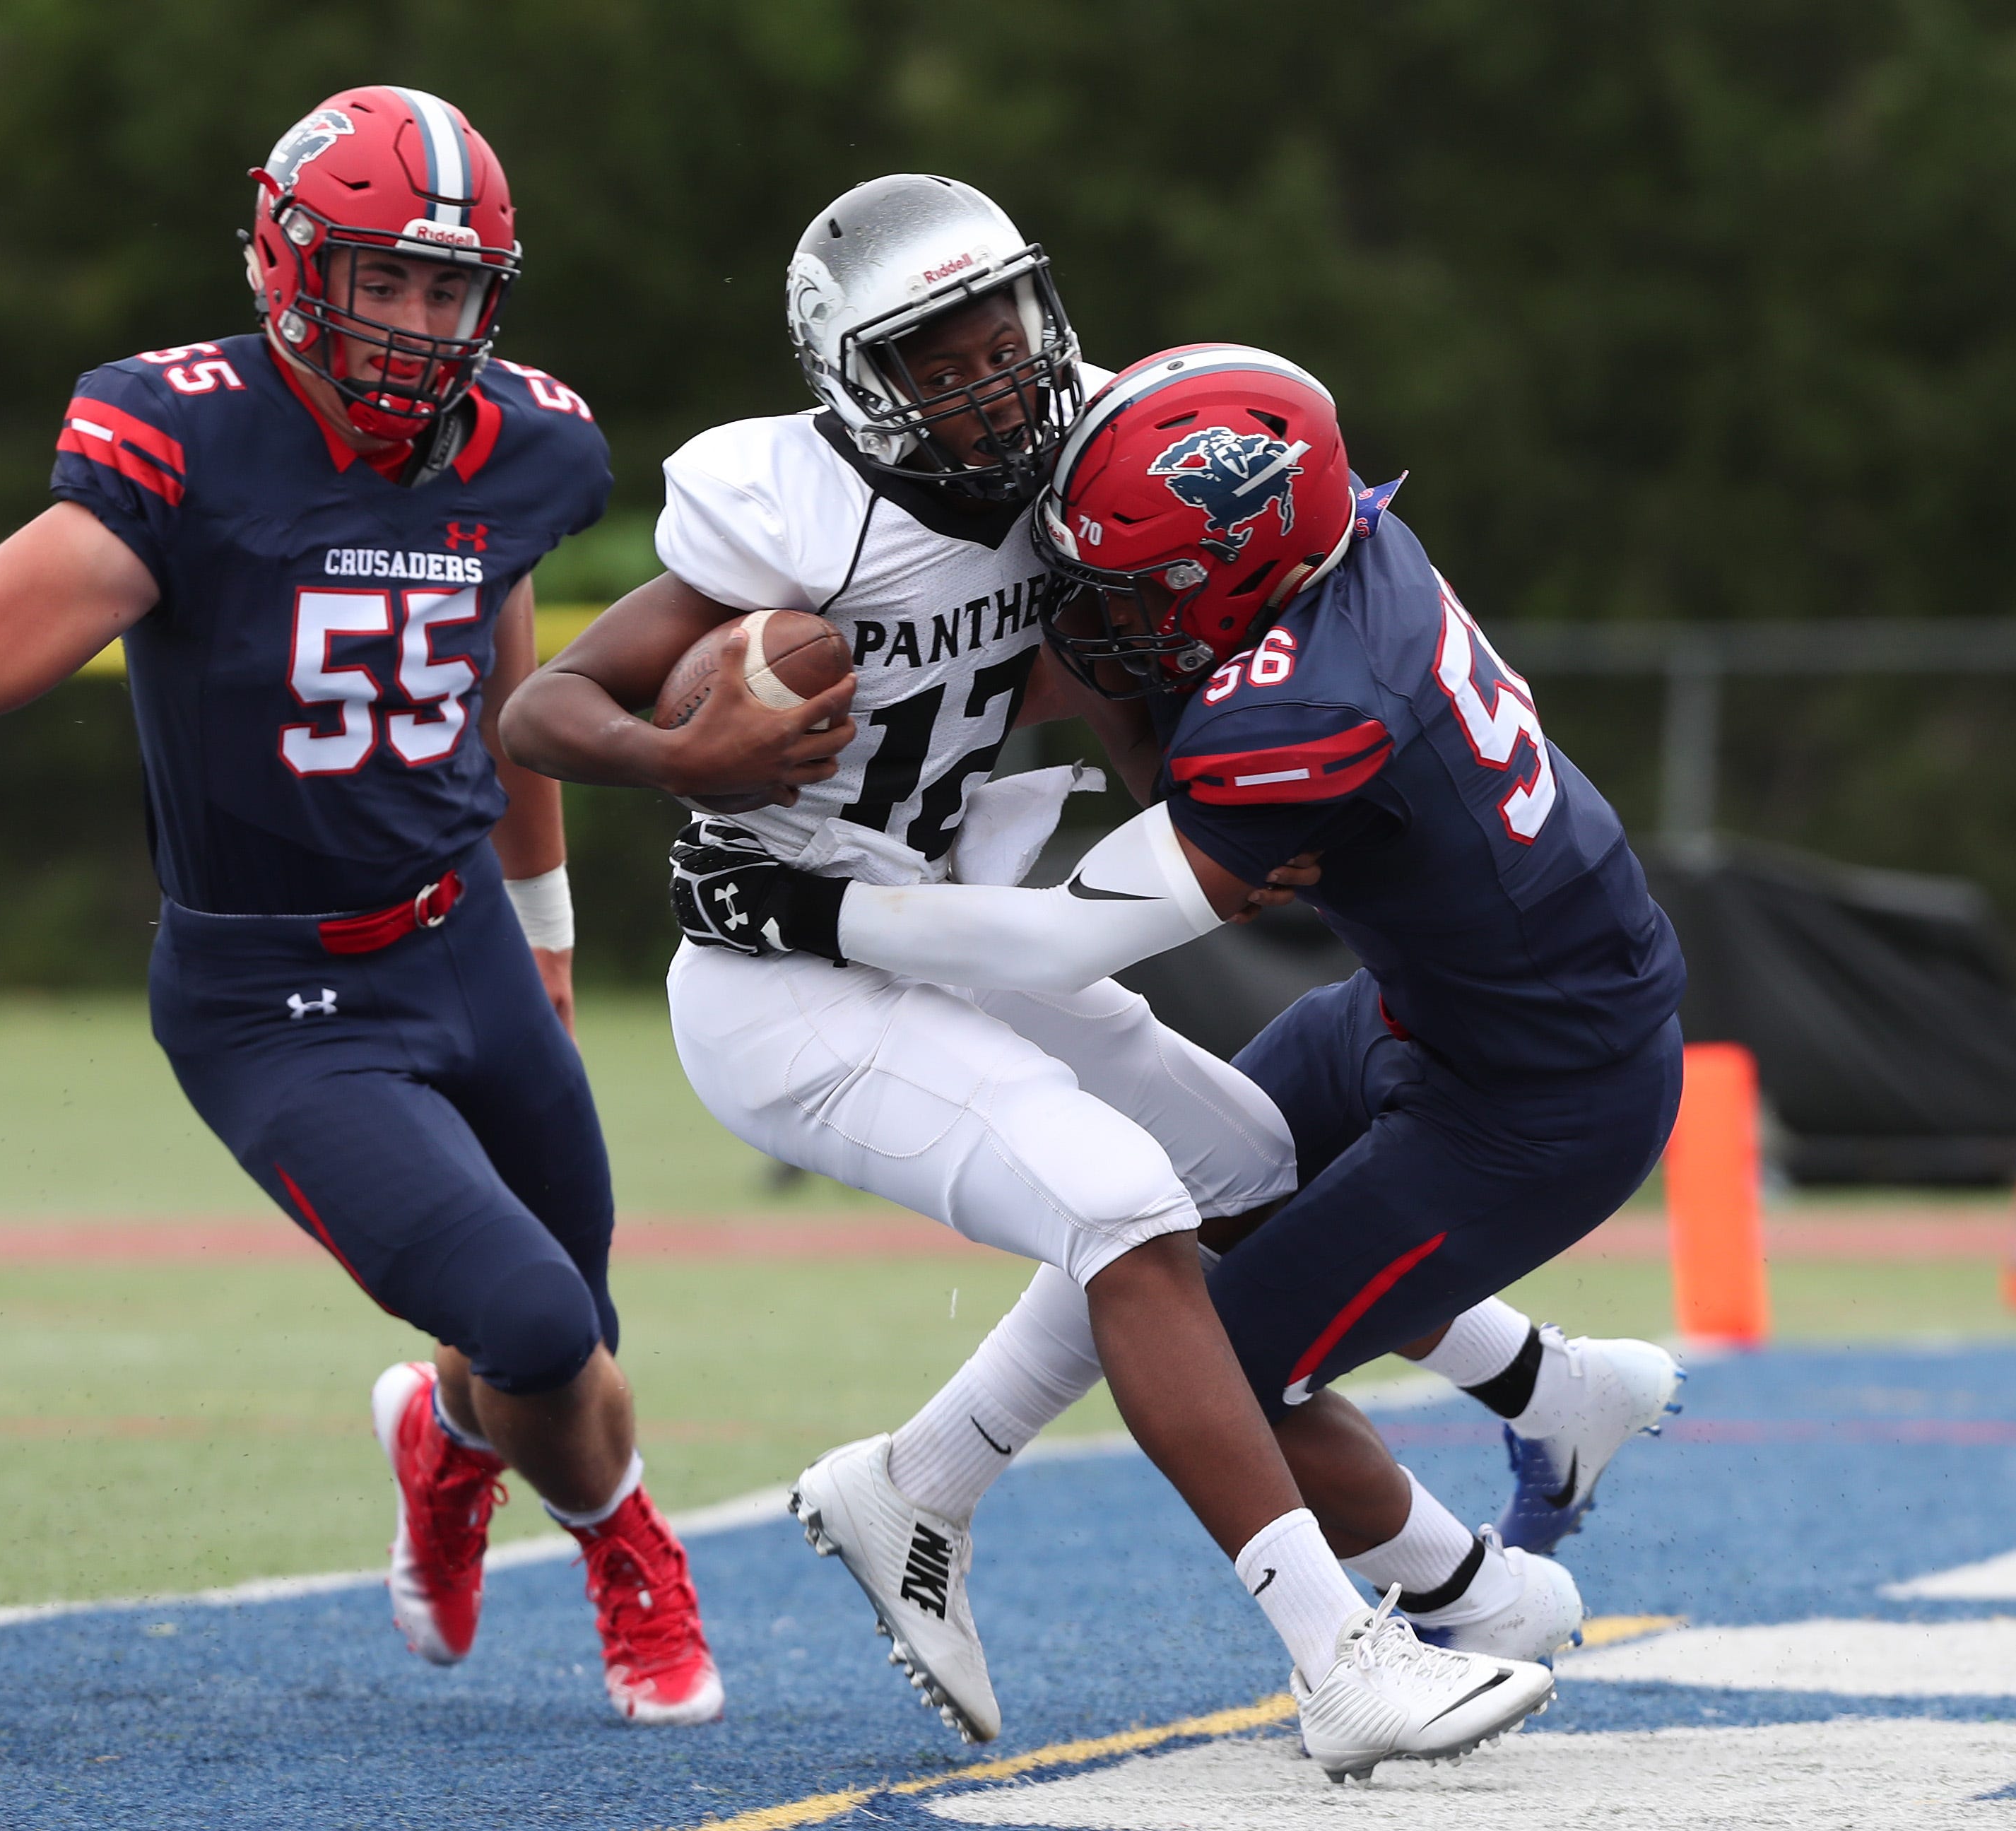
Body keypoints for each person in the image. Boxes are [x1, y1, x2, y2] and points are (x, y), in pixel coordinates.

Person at [503, 177, 1556, 1782]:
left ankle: (934, 1488)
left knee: (1246, 1171)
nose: (987, 378)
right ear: (854, 379)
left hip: (952, 924)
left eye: (1000, 334)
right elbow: (537, 714)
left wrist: (1194, 799)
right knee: (1123, 1205)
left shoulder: (1080, 463)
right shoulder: (789, 510)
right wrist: (673, 753)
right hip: (784, 979)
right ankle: (1341, 1654)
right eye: (934, 357)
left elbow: (1126, 689)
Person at [661, 343, 1691, 1773]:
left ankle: (1456, 1604)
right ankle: (1541, 1394)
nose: (1099, 615)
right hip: (1426, 1009)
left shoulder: (1309, 711)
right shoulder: (1336, 540)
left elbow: (1051, 945)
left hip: (1541, 1099)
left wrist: (806, 907)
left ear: (1237, 569)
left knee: (1224, 1351)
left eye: (1135, 588)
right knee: (1194, 1186)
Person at [0, 86, 721, 1726]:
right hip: (273, 998)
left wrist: (542, 933)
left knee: (562, 1339)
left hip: (457, 933)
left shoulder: (525, 444)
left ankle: (445, 1443)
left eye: (447, 287)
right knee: (538, 1321)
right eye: (379, 281)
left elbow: (510, 686)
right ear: (286, 263)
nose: (415, 324)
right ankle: (627, 1544)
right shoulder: (188, 444)